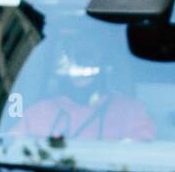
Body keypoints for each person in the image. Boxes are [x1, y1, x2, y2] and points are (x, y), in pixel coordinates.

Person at [11, 38, 156, 143]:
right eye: (75, 56)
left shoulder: (131, 112)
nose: (82, 60)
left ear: (105, 65)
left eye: (89, 55)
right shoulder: (39, 112)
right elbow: (11, 151)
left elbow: (137, 157)